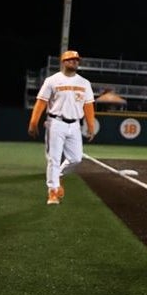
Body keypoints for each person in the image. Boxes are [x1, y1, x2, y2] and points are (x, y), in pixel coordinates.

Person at [27, 50, 97, 205]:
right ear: (63, 61)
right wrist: (33, 122)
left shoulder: (84, 83)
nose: (74, 62)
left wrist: (91, 125)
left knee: (76, 158)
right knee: (54, 158)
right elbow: (41, 102)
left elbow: (88, 105)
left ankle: (57, 176)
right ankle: (53, 191)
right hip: (55, 123)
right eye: (71, 59)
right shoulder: (52, 80)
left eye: (76, 60)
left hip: (75, 125)